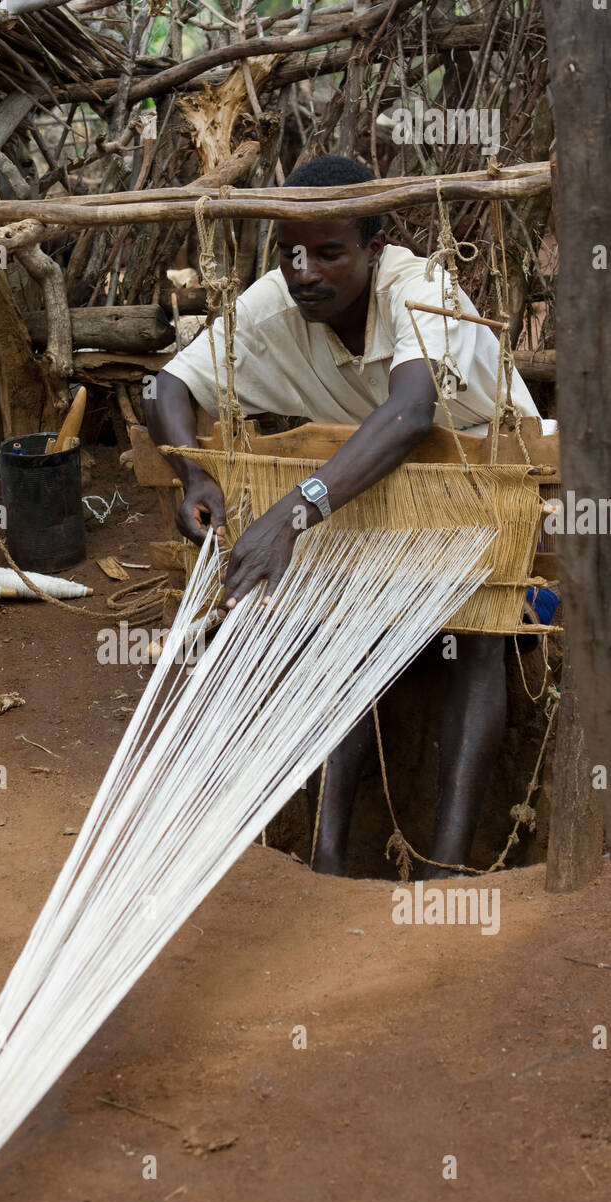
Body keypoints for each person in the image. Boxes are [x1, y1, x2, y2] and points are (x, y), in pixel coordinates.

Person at [145, 154, 547, 878]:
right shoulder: (275, 305)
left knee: (477, 634)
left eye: (329, 252)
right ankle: (326, 863)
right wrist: (194, 473)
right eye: (291, 253)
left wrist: (290, 516)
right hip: (371, 494)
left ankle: (445, 862)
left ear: (373, 247)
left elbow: (408, 414)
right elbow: (168, 385)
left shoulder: (423, 292)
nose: (305, 271)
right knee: (340, 626)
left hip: (489, 497)